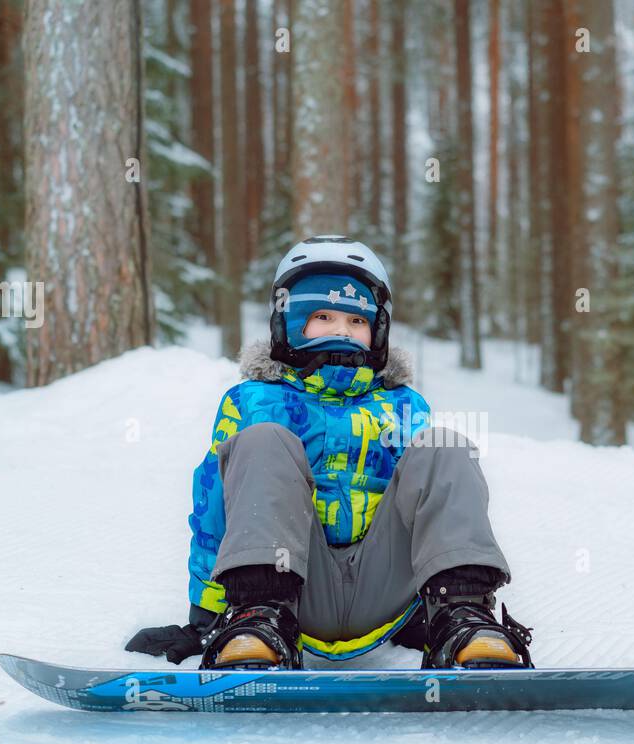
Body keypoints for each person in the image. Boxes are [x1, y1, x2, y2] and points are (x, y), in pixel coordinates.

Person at [127, 235, 533, 671]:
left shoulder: (404, 405)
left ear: (377, 331)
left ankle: (461, 617)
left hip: (385, 586)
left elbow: (428, 509)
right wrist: (205, 617)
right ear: (290, 323)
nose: (342, 329)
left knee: (444, 447)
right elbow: (214, 508)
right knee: (263, 442)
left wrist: (421, 609)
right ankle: (256, 620)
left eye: (356, 320)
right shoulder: (253, 401)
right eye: (323, 316)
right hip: (293, 586)